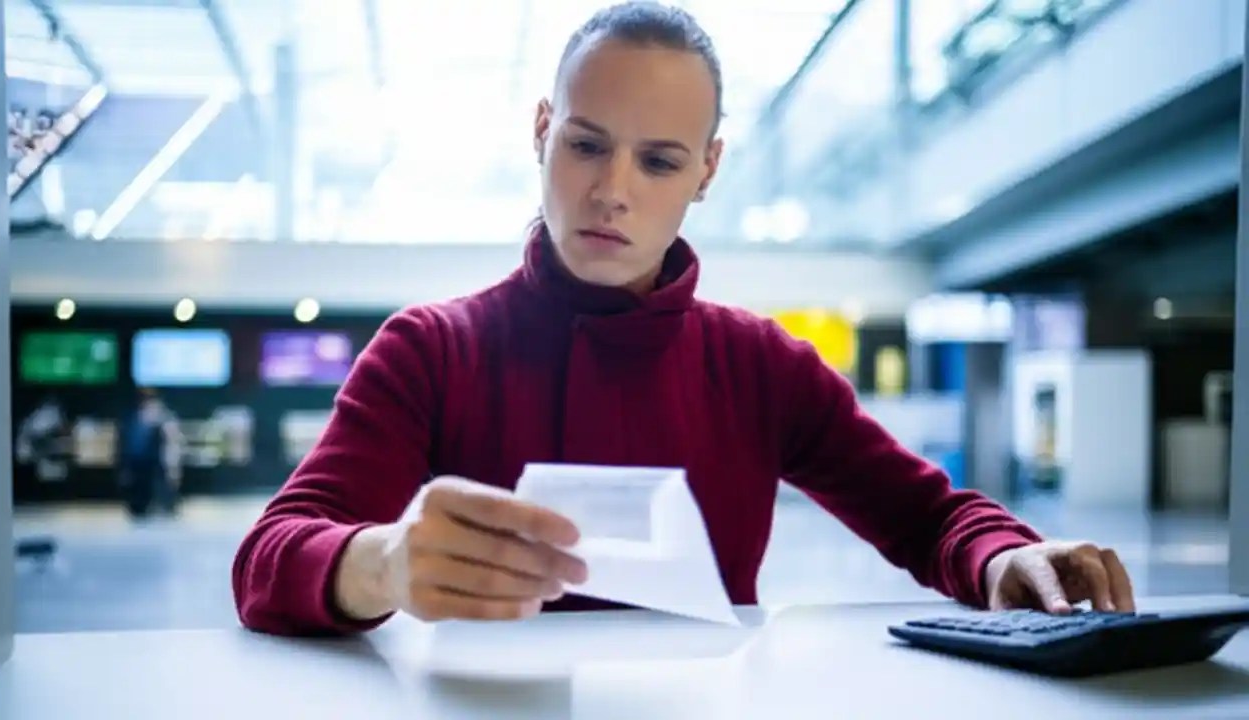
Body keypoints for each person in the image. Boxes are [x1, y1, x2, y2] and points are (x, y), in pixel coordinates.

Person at [232, 2, 1135, 636]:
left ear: (708, 170)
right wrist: (384, 563)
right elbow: (270, 554)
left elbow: (929, 517)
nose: (611, 192)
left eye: (658, 162)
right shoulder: (432, 351)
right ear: (542, 130)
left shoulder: (757, 366)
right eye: (586, 144)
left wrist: (1002, 558)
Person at [121, 389, 184, 519]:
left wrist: (172, 466)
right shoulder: (135, 419)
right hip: (142, 464)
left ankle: (163, 506)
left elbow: (172, 443)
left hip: (154, 463)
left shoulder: (164, 418)